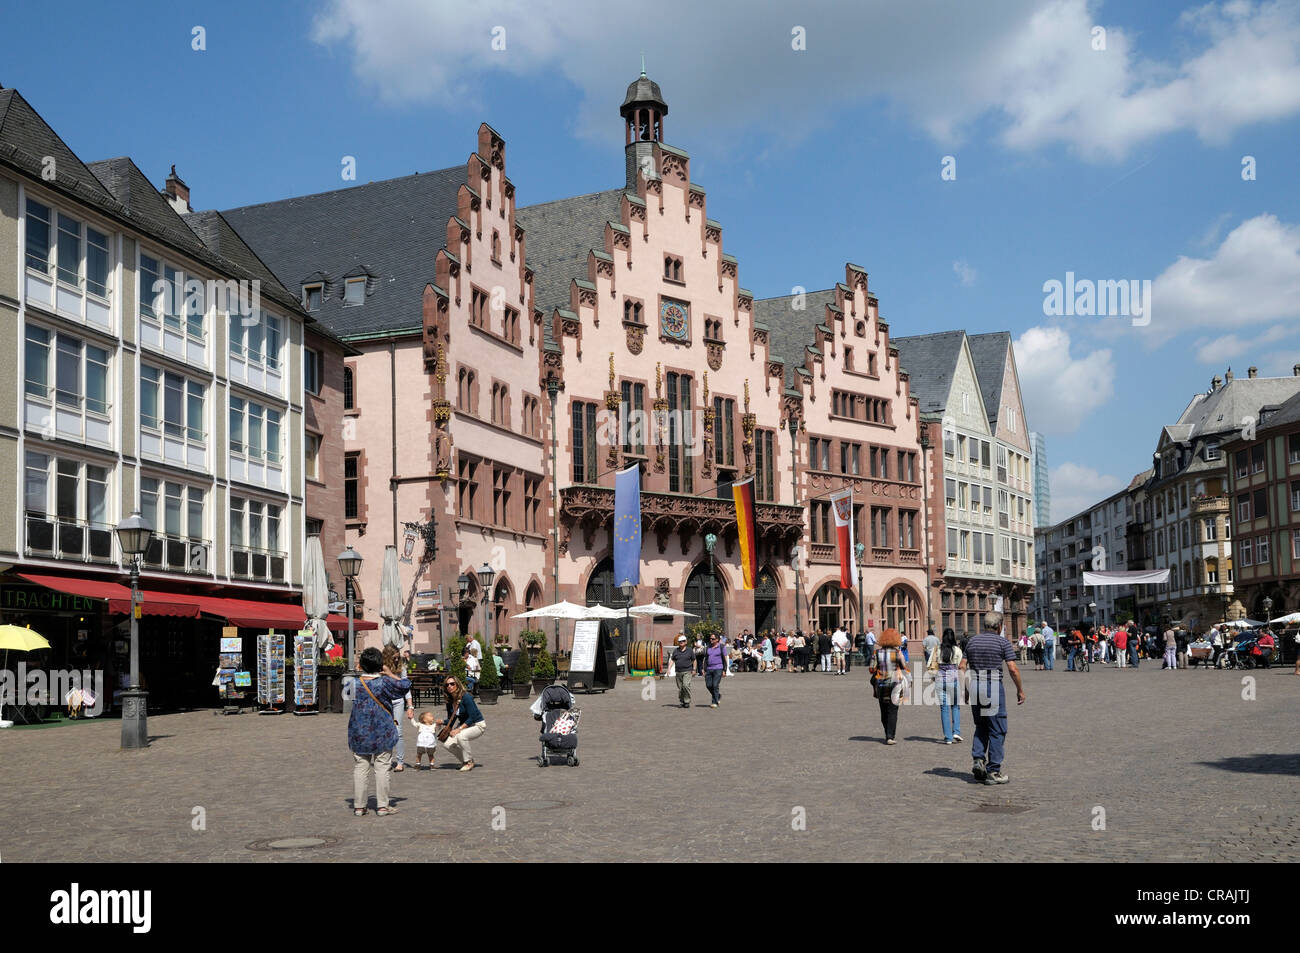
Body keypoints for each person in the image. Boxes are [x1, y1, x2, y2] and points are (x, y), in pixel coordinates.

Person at [348, 646, 411, 816]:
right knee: (382, 767)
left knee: (361, 767)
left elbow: (345, 696)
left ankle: (359, 807)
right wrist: (390, 674)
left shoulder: (353, 683)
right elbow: (405, 685)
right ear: (381, 664)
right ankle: (383, 806)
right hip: (382, 730)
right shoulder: (384, 682)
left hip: (359, 731)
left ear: (361, 665)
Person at [966, 611, 1025, 785]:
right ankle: (994, 771)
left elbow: (962, 666)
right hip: (992, 687)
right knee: (998, 728)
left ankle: (978, 759)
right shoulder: (1002, 642)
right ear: (999, 626)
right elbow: (1013, 668)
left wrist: (966, 689)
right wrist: (1020, 690)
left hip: (975, 685)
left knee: (981, 725)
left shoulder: (971, 641)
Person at [436, 675, 485, 771]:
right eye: (447, 685)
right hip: (464, 726)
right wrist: (441, 722)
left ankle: (468, 762)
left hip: (477, 725)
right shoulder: (450, 701)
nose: (449, 686)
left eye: (452, 684)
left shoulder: (466, 697)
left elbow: (473, 717)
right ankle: (465, 760)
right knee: (447, 744)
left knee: (461, 736)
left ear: (457, 685)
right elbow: (451, 719)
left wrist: (459, 729)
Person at [869, 627, 909, 745]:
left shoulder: (876, 653)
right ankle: (890, 736)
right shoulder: (897, 653)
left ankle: (887, 731)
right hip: (895, 684)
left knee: (884, 710)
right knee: (893, 710)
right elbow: (904, 667)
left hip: (881, 684)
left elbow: (871, 669)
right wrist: (901, 658)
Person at [928, 627, 966, 744]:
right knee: (955, 706)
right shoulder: (957, 650)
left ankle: (948, 737)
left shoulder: (937, 650)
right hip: (953, 681)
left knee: (944, 708)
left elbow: (930, 664)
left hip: (940, 681)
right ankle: (956, 731)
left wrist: (933, 677)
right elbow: (961, 667)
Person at [381, 646, 415, 771]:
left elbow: (405, 687)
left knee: (398, 731)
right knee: (386, 731)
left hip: (398, 702)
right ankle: (387, 760)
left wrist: (410, 706)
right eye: (394, 658)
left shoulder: (401, 668)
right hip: (384, 703)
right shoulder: (381, 667)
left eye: (397, 657)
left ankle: (400, 762)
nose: (396, 660)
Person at [670, 635, 695, 708]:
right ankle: (682, 701)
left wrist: (694, 669)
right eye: (680, 641)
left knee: (686, 685)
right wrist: (668, 668)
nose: (681, 642)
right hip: (678, 672)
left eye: (683, 641)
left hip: (687, 671)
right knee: (681, 688)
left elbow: (694, 660)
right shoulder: (676, 651)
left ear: (686, 642)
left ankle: (687, 701)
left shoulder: (690, 650)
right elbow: (672, 660)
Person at [704, 632, 728, 707]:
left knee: (715, 685)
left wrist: (724, 670)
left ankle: (714, 702)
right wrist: (703, 669)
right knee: (708, 685)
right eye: (710, 638)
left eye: (713, 639)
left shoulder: (721, 647)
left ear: (717, 639)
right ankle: (718, 695)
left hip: (718, 668)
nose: (711, 640)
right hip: (709, 668)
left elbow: (725, 659)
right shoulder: (708, 647)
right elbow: (706, 658)